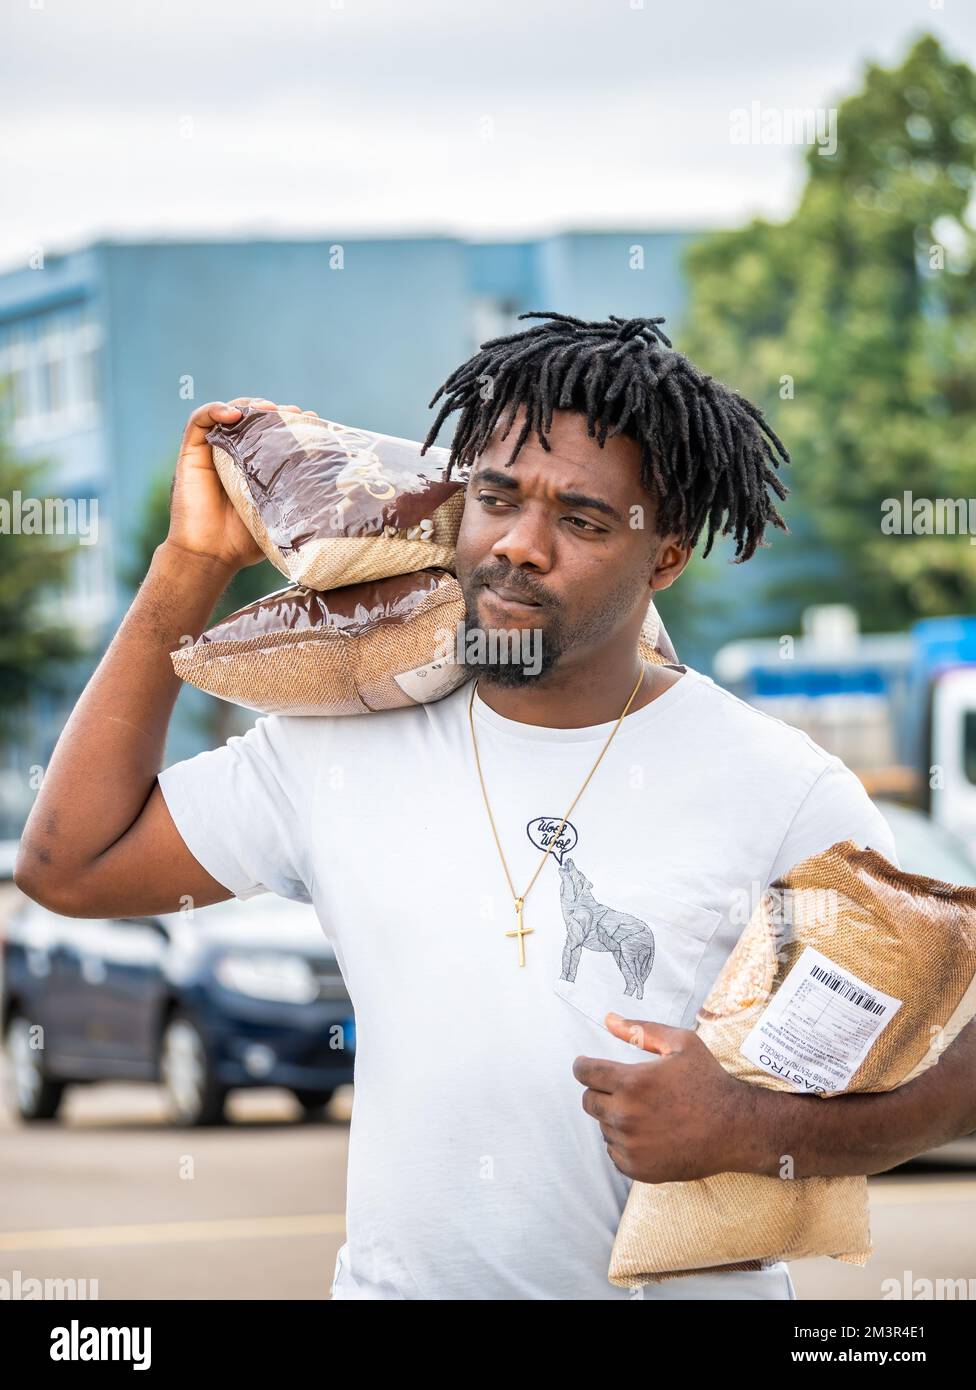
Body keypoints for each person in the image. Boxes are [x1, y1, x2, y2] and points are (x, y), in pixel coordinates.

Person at [16, 311, 976, 1302]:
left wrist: (753, 1126)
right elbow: (70, 863)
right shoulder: (340, 742)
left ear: (664, 556)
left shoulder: (781, 791)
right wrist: (193, 563)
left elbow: (959, 1066)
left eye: (582, 519)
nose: (519, 545)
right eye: (496, 496)